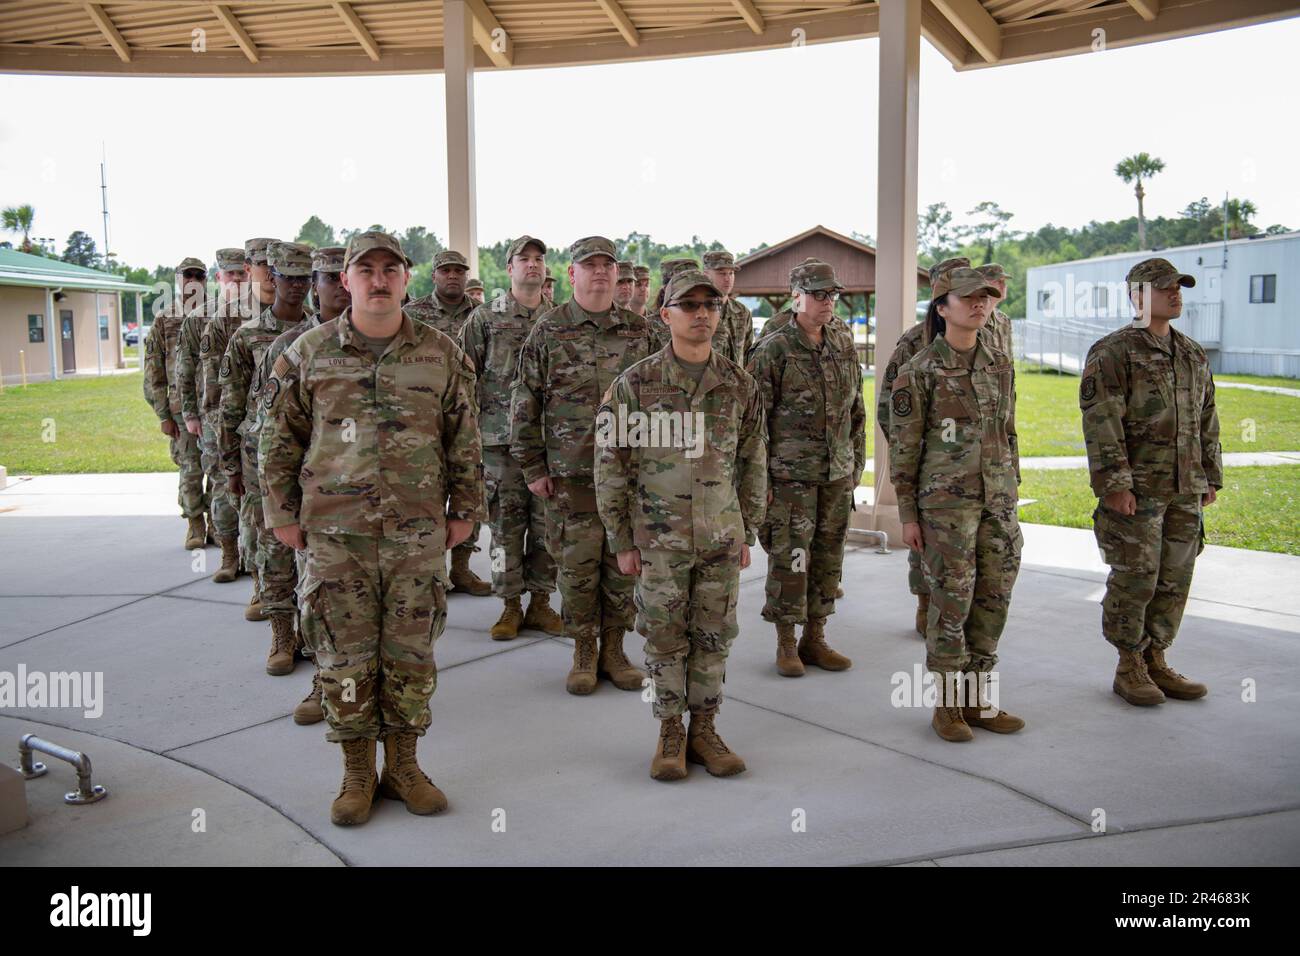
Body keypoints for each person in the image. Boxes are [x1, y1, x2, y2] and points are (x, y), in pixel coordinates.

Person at [262, 230, 485, 826]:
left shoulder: (440, 353)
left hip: (416, 534)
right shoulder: (307, 353)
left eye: (391, 268)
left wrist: (465, 508)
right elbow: (278, 440)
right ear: (346, 280)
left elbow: (465, 437)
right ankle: (357, 770)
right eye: (367, 269)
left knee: (411, 656)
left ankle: (405, 766)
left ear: (405, 278)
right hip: (337, 537)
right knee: (342, 658)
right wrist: (282, 514)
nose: (379, 279)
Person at [596, 269, 766, 780]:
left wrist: (747, 530)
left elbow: (754, 461)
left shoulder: (739, 385)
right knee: (665, 637)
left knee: (715, 635)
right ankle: (670, 731)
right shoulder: (634, 384)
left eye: (709, 305)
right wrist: (622, 540)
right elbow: (611, 465)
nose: (700, 314)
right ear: (665, 314)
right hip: (659, 541)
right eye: (688, 305)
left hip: (719, 536)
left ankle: (705, 730)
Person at [510, 235, 652, 695]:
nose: (599, 272)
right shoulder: (549, 331)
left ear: (617, 274)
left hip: (628, 478)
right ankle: (584, 651)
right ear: (572, 274)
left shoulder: (641, 332)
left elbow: (662, 403)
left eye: (607, 265)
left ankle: (615, 648)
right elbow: (525, 402)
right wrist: (532, 467)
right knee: (576, 568)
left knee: (622, 565)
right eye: (589, 265)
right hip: (571, 477)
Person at [889, 266, 1024, 742]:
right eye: (968, 298)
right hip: (945, 509)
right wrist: (908, 515)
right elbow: (903, 451)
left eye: (985, 298)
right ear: (942, 307)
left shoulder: (1000, 364)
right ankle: (946, 704)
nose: (980, 304)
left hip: (998, 504)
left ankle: (978, 697)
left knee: (994, 600)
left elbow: (1007, 433)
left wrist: (1011, 490)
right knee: (951, 604)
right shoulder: (918, 371)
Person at [1080, 257, 1221, 707]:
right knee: (1135, 576)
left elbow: (1207, 418)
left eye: (1179, 287)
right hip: (1138, 490)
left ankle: (1157, 656)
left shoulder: (1193, 353)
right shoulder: (1114, 352)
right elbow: (1102, 423)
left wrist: (1210, 475)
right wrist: (1115, 484)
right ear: (1138, 297)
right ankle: (1129, 665)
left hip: (1185, 487)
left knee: (1176, 576)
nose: (1176, 294)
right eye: (1166, 288)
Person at [748, 259, 864, 677]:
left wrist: (855, 467)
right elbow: (753, 423)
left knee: (829, 558)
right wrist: (762, 482)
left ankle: (815, 637)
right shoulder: (773, 348)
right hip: (790, 477)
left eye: (832, 294)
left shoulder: (841, 340)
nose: (827, 302)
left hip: (835, 474)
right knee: (791, 558)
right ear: (795, 296)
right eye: (818, 294)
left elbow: (856, 409)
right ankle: (785, 642)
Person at [257, 245, 350, 726]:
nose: (336, 284)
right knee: (318, 596)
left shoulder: (402, 344)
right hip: (317, 501)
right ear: (315, 283)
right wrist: (280, 508)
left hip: (381, 506)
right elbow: (271, 437)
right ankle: (321, 678)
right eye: (326, 277)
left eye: (342, 275)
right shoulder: (293, 347)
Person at [458, 236, 563, 640]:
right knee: (504, 529)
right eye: (524, 259)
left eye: (539, 259)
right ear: (509, 267)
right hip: (500, 445)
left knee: (546, 528)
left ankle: (540, 603)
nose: (533, 265)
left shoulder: (558, 320)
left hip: (548, 445)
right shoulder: (486, 318)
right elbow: (465, 381)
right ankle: (508, 606)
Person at [219, 241, 311, 670]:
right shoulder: (247, 336)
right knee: (272, 545)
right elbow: (231, 405)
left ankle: (313, 633)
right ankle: (281, 632)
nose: (295, 286)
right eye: (287, 277)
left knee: (311, 547)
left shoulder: (321, 335)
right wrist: (230, 464)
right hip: (262, 460)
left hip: (313, 460)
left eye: (303, 278)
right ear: (271, 278)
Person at [877, 256, 971, 636]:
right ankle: (924, 602)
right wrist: (909, 449)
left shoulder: (986, 334)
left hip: (975, 470)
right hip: (933, 468)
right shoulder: (914, 343)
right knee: (927, 544)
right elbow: (889, 405)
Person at [405, 249, 491, 596]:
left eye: (459, 270)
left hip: (469, 417)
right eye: (446, 270)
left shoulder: (481, 315)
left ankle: (462, 567)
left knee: (469, 493)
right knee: (425, 496)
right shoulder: (413, 314)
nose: (453, 276)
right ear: (435, 275)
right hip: (422, 420)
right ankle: (430, 569)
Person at [175, 247, 248, 581]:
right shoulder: (199, 319)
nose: (236, 280)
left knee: (255, 489)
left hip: (254, 418)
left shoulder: (261, 316)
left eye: (241, 274)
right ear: (219, 278)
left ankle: (252, 556)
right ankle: (229, 556)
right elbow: (185, 371)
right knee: (221, 484)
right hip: (214, 418)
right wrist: (190, 415)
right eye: (230, 274)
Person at [144, 257, 210, 549]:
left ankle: (220, 525)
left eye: (200, 275)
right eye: (188, 274)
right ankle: (195, 523)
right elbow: (153, 370)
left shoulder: (220, 314)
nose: (193, 279)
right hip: (180, 409)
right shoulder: (165, 319)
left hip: (216, 406)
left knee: (221, 471)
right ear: (178, 278)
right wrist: (162, 414)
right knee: (191, 469)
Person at [702, 249, 753, 366]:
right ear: (706, 275)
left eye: (731, 273)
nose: (728, 278)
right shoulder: (695, 311)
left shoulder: (742, 312)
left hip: (736, 382)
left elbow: (748, 355)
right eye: (721, 273)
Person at [974, 262, 1015, 359]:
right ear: (983, 285)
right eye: (999, 281)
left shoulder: (1004, 320)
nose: (1004, 285)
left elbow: (1008, 360)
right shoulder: (970, 317)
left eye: (1004, 281)